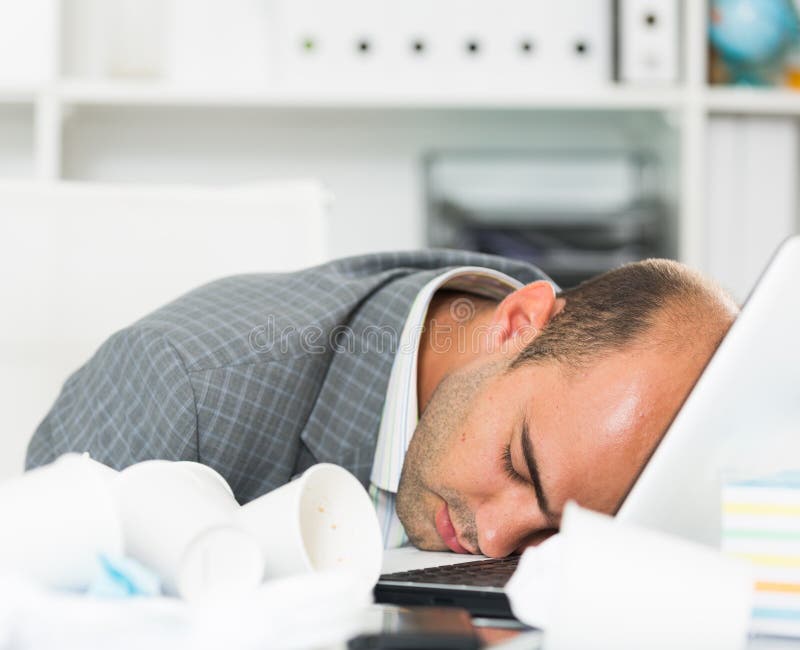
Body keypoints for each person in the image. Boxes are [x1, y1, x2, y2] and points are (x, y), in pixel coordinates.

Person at [25, 250, 737, 558]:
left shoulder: (579, 370)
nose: (494, 542)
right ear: (516, 323)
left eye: (553, 531)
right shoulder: (179, 389)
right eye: (518, 466)